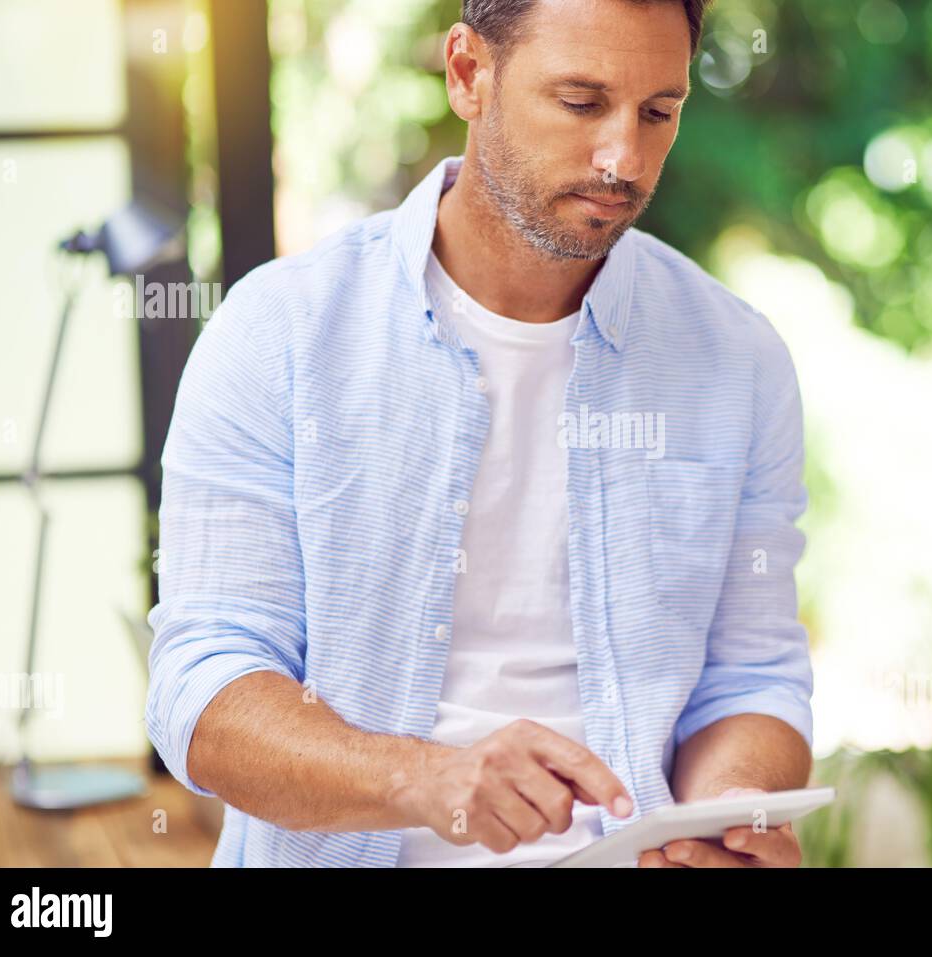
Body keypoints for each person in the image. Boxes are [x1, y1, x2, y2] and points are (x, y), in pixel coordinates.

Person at [146, 0, 813, 868]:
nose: (624, 158)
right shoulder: (279, 332)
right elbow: (200, 692)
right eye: (580, 103)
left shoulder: (738, 356)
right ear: (468, 73)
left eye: (659, 112)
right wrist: (424, 780)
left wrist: (733, 807)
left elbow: (751, 678)